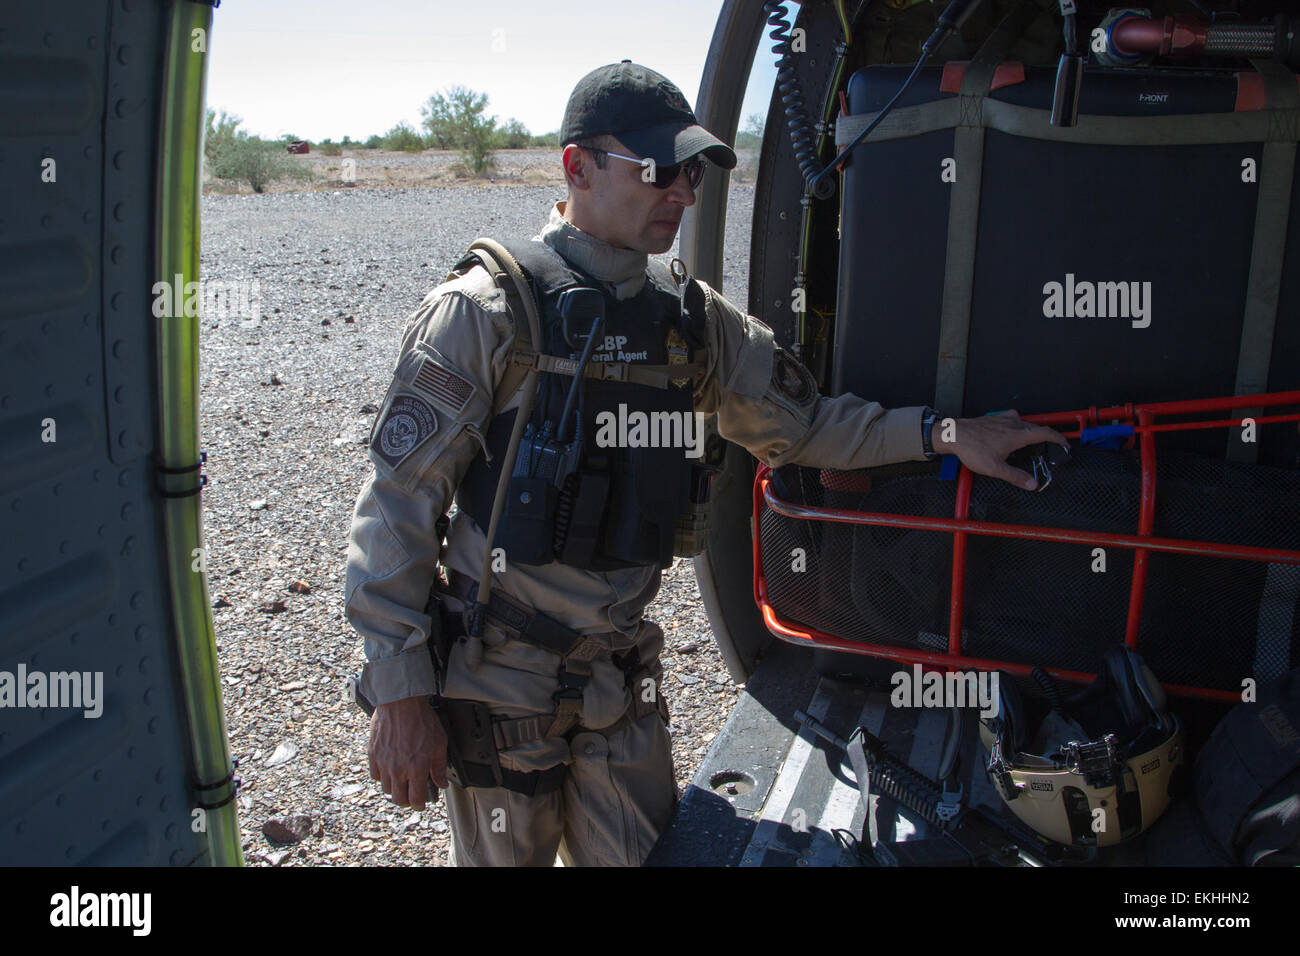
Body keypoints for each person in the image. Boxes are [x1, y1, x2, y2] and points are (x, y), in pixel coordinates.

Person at [344, 60, 1067, 867]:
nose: (683, 193)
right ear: (576, 167)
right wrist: (399, 690)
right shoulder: (486, 313)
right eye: (658, 170)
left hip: (622, 686)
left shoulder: (691, 321)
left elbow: (809, 424)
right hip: (497, 680)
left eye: (691, 171)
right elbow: (396, 505)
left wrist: (944, 435)